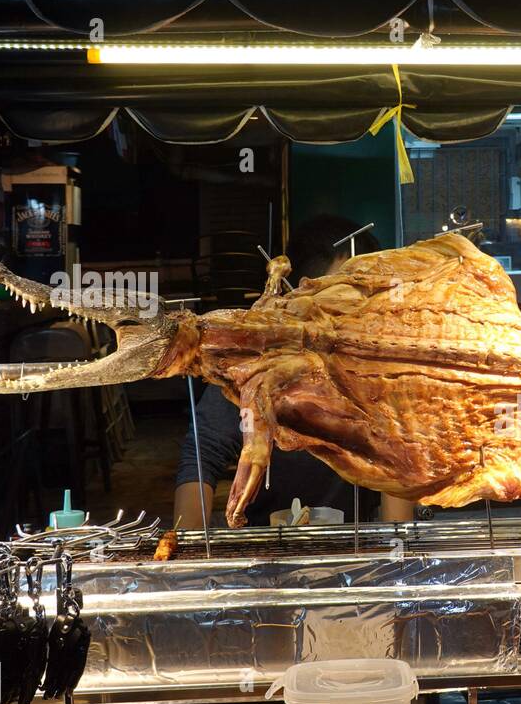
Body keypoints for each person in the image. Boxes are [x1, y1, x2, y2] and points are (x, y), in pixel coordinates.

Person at [173, 216, 415, 528]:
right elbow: (203, 454)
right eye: (344, 296)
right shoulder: (255, 362)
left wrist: (396, 545)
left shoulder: (379, 370)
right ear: (301, 293)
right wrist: (187, 545)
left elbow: (397, 465)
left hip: (354, 541)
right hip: (266, 544)